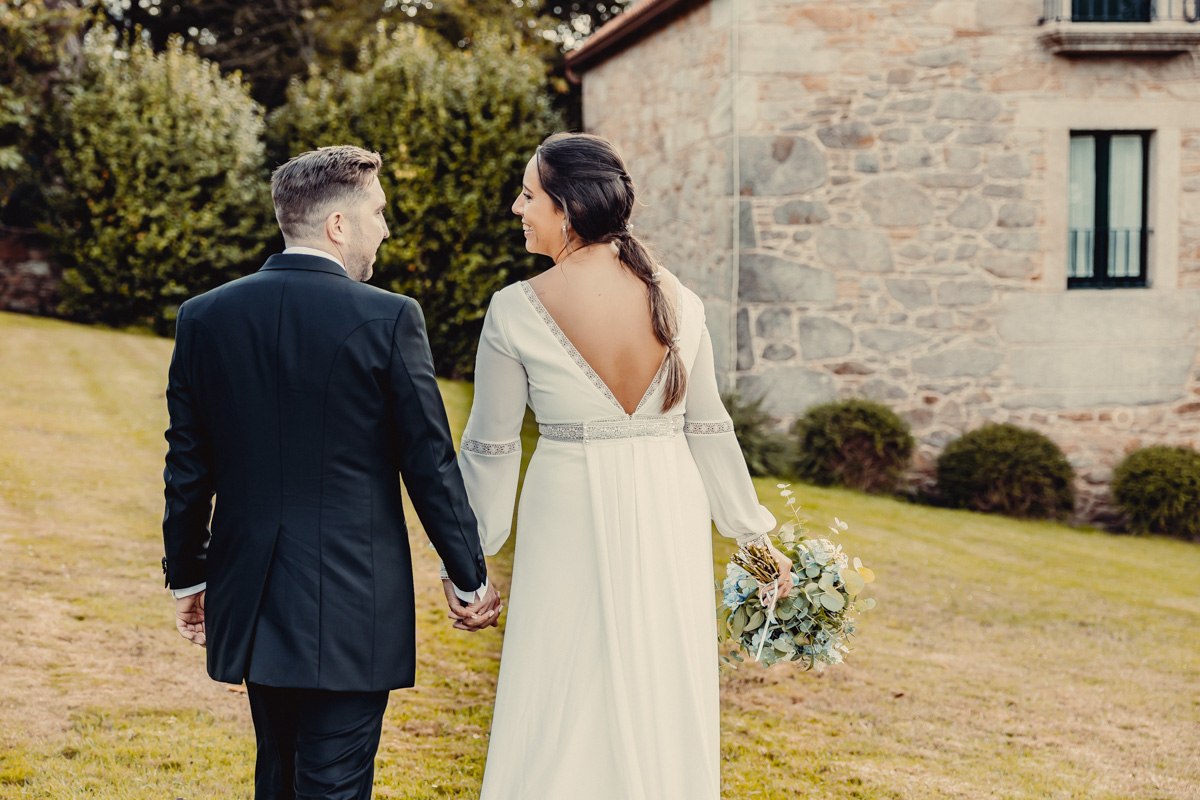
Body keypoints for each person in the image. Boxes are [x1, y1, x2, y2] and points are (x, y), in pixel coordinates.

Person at [449, 132, 793, 799]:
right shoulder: (682, 301)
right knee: (661, 675)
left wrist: (470, 565)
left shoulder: (516, 308)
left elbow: (491, 447)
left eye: (528, 194)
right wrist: (753, 539)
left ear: (569, 209)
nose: (517, 208)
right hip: (670, 501)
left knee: (562, 678)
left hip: (567, 501)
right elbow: (709, 428)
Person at [161, 144, 501, 800]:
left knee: (279, 776)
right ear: (337, 225)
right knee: (335, 785)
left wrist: (190, 576)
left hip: (253, 596)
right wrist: (468, 578)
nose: (386, 227)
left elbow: (187, 465)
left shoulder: (205, 316)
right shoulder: (389, 318)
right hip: (353, 601)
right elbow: (428, 464)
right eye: (377, 211)